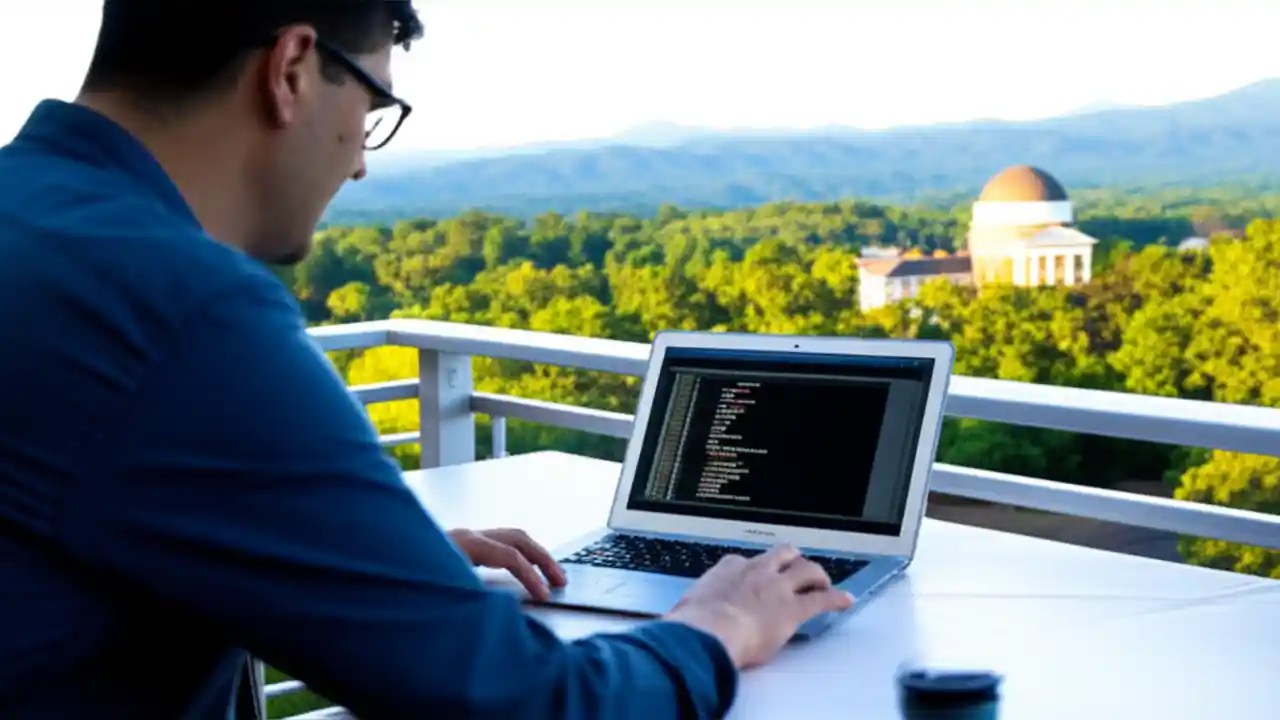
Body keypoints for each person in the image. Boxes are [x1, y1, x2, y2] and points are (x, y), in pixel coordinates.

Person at [0, 1, 854, 718]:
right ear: (292, 68)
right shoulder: (184, 310)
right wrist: (716, 628)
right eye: (372, 107)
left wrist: (352, 558)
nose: (362, 162)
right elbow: (521, 704)